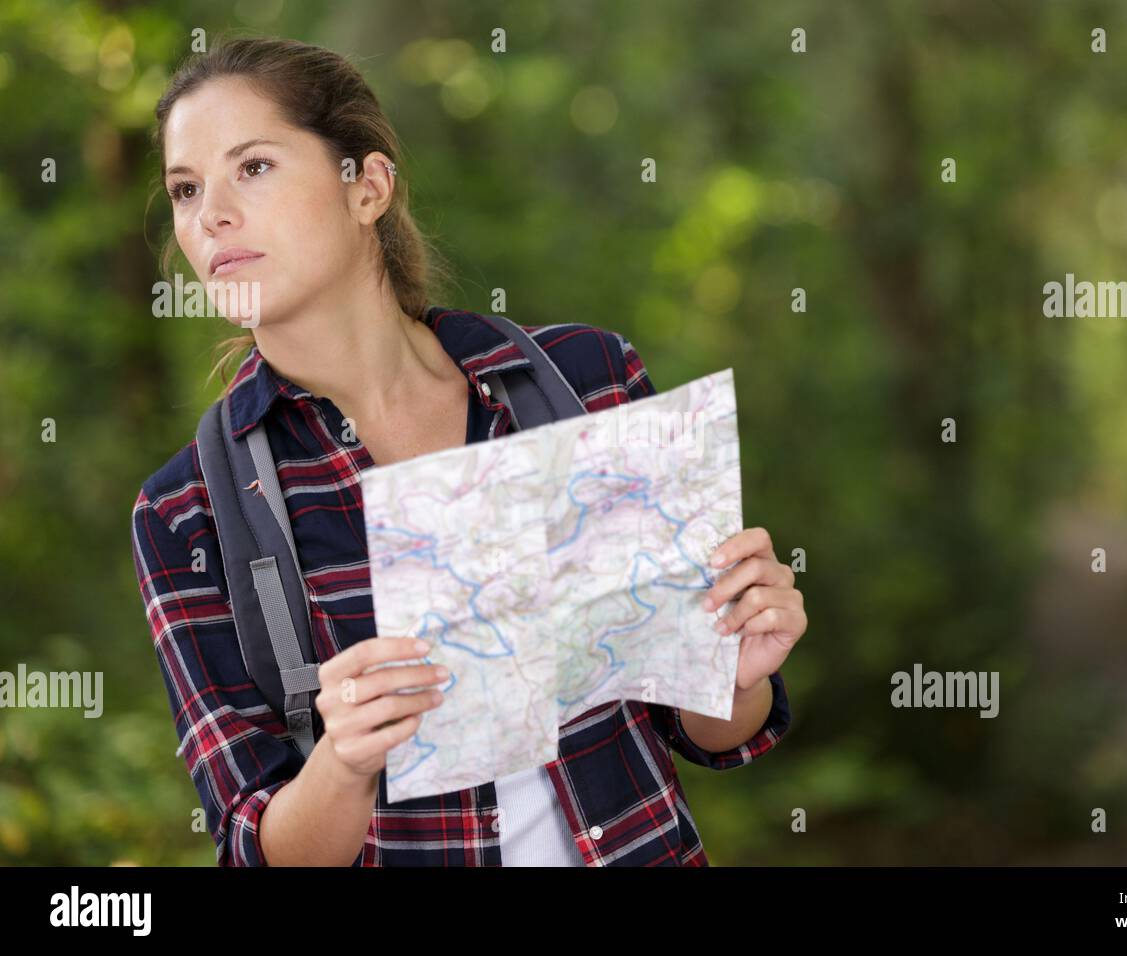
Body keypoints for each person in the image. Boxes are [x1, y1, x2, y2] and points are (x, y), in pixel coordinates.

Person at [130, 36, 805, 867]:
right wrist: (342, 763)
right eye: (186, 189)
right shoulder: (186, 509)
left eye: (254, 167)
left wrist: (738, 666)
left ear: (366, 187)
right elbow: (253, 846)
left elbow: (707, 731)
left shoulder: (586, 383)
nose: (212, 214)